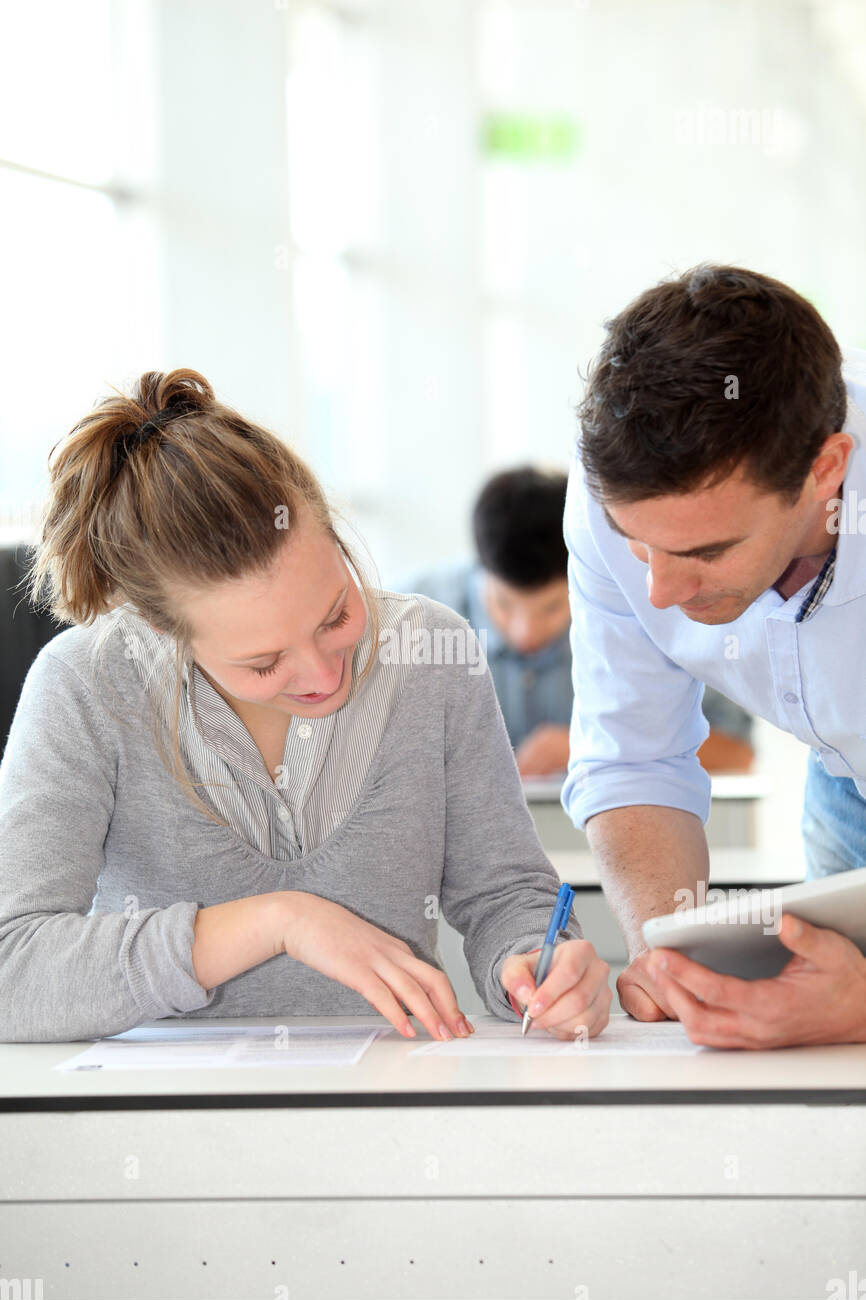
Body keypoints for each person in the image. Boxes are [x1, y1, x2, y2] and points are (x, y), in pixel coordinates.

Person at [0, 369, 611, 1044]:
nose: (322, 674)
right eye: (263, 662)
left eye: (336, 614)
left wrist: (531, 966)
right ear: (162, 629)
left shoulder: (433, 652)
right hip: (157, 1126)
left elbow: (505, 896)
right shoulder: (84, 685)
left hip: (395, 1105)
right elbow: (12, 969)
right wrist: (279, 921)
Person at [563, 263, 866, 1048]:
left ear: (825, 469)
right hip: (844, 782)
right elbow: (634, 756)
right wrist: (676, 955)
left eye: (705, 550)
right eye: (640, 547)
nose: (658, 591)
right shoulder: (617, 494)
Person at [400, 464, 755, 776]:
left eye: (552, 608)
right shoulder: (407, 619)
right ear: (481, 570)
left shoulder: (649, 609)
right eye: (505, 605)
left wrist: (599, 746)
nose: (526, 633)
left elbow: (738, 752)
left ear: (582, 576)